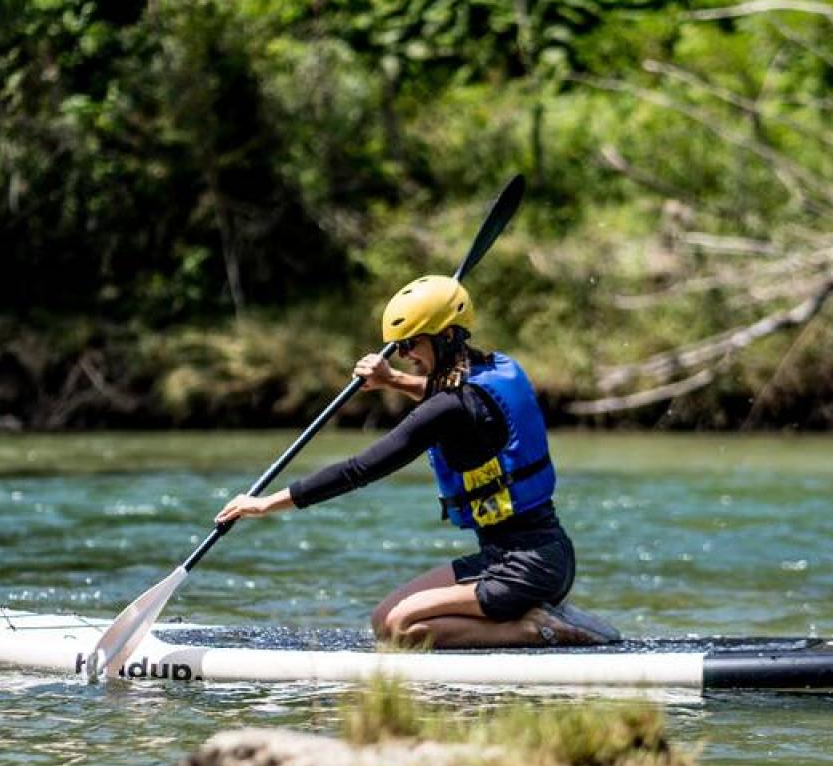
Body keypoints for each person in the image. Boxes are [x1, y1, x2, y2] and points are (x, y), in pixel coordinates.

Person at [214, 275, 619, 649]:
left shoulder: (451, 407)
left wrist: (266, 503)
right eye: (399, 346)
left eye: (410, 343)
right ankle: (534, 617)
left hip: (526, 569)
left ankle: (534, 628)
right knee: (382, 621)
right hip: (525, 558)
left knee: (399, 627)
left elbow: (360, 468)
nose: (405, 355)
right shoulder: (495, 369)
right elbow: (450, 396)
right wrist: (391, 380)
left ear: (444, 337)